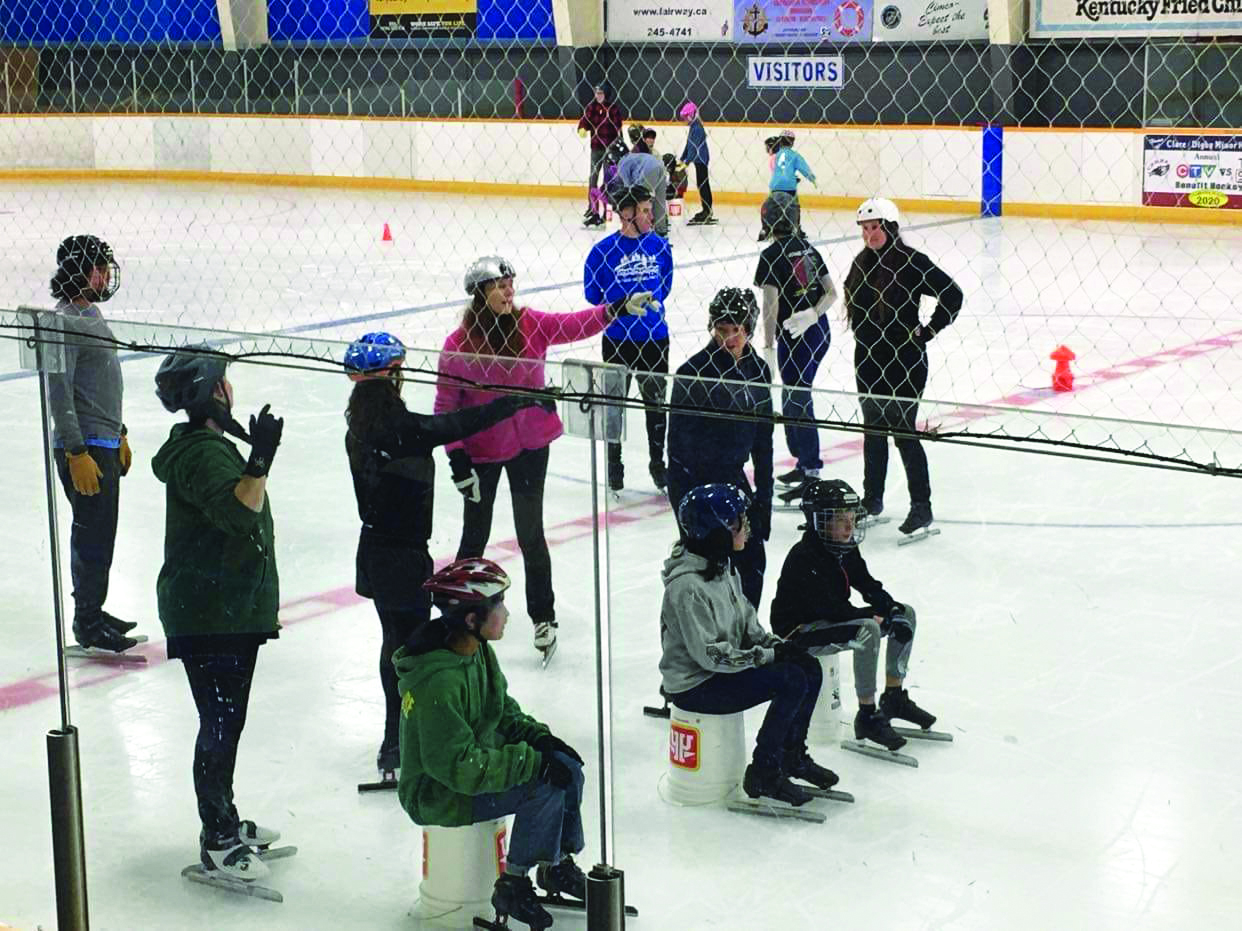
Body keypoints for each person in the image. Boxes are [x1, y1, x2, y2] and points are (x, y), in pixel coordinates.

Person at [343, 331, 552, 780]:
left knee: (396, 640)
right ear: (394, 375)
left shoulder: (361, 427)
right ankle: (400, 739)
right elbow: (450, 427)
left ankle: (399, 736)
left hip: (378, 551)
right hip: (401, 557)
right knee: (411, 648)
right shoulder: (400, 430)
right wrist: (506, 404)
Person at [435, 255, 653, 657]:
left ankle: (543, 616)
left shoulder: (529, 323)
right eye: (499, 286)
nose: (508, 291)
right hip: (482, 453)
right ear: (480, 294)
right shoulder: (459, 346)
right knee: (475, 535)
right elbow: (446, 407)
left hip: (531, 447)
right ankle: (457, 612)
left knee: (530, 534)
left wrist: (617, 307)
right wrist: (458, 460)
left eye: (510, 284)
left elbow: (574, 325)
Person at [395, 558, 589, 931]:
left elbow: (501, 711)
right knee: (544, 784)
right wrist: (531, 764)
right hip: (438, 792)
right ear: (471, 619)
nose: (506, 613)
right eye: (497, 604)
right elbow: (457, 767)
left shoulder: (476, 650)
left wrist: (543, 741)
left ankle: (555, 865)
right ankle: (514, 882)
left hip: (466, 771)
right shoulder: (438, 683)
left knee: (567, 766)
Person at [152, 346, 285, 882]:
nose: (231, 390)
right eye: (224, 382)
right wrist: (259, 462)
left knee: (227, 720)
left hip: (223, 608)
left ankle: (224, 814)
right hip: (211, 613)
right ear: (212, 392)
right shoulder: (204, 451)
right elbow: (237, 513)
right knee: (221, 722)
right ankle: (218, 835)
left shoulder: (206, 444)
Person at [659, 484, 836, 806]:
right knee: (790, 680)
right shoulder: (687, 588)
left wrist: (779, 646)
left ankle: (791, 756)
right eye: (739, 521)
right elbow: (710, 656)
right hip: (696, 684)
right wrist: (767, 656)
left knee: (807, 666)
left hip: (721, 670)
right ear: (716, 531)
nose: (747, 527)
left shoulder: (722, 567)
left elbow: (747, 625)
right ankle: (764, 771)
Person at [769, 479, 936, 751]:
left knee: (907, 613)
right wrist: (877, 617)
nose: (850, 526)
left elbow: (867, 584)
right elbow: (832, 610)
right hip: (799, 631)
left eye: (851, 518)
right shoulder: (805, 557)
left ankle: (894, 695)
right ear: (818, 521)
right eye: (839, 519)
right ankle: (867, 714)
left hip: (830, 620)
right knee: (867, 629)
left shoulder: (844, 547)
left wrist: (891, 609)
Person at [845, 197, 962, 536]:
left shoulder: (911, 262)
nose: (870, 234)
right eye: (865, 229)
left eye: (875, 227)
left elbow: (952, 294)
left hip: (904, 361)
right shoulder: (861, 263)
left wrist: (928, 330)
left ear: (890, 227)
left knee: (903, 433)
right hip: (868, 360)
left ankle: (921, 507)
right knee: (873, 432)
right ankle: (872, 499)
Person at [46, 235, 138, 653]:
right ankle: (87, 621)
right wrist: (75, 451)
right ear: (79, 273)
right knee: (91, 535)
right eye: (98, 267)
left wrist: (120, 434)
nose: (105, 275)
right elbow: (60, 392)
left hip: (103, 442)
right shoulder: (62, 321)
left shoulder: (90, 313)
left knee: (102, 534)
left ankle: (94, 609)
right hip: (84, 448)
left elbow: (102, 384)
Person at [667, 288, 773, 608]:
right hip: (698, 483)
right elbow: (677, 450)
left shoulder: (758, 370)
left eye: (736, 330)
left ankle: (746, 629)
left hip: (735, 480)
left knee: (752, 563)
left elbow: (763, 441)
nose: (728, 338)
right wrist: (686, 508)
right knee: (710, 571)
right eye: (721, 330)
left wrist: (764, 499)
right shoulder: (692, 372)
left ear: (749, 328)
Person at [583, 182, 675, 492]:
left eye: (651, 210)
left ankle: (657, 461)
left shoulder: (660, 247)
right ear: (626, 213)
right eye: (646, 210)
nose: (652, 216)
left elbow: (666, 285)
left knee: (656, 405)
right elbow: (593, 296)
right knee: (614, 405)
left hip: (655, 340)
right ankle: (614, 462)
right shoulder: (602, 252)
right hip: (618, 341)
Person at [753, 192, 837, 493]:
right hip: (818, 331)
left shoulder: (771, 256)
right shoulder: (809, 249)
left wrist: (768, 345)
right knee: (796, 396)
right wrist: (814, 313)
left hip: (794, 336)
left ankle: (810, 467)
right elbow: (831, 294)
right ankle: (804, 462)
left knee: (798, 398)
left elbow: (770, 305)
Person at [577, 84, 624, 226]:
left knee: (608, 180)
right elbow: (584, 121)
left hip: (609, 150)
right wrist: (582, 129)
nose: (598, 95)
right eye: (596, 93)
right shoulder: (591, 108)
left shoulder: (613, 108)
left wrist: (617, 147)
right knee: (593, 177)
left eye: (601, 93)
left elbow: (618, 127)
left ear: (606, 94)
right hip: (596, 148)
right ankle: (592, 208)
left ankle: (607, 209)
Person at [760, 130, 815, 241]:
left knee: (770, 207)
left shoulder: (775, 156)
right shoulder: (794, 155)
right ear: (792, 142)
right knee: (794, 208)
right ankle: (796, 228)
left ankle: (765, 229)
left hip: (775, 186)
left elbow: (777, 170)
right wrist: (812, 178)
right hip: (789, 187)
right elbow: (804, 168)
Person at [616, 145, 670, 236]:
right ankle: (661, 231)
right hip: (659, 166)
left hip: (648, 171)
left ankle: (642, 229)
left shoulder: (622, 162)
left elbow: (628, 187)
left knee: (642, 200)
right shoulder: (632, 156)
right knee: (659, 201)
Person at [679, 101, 715, 225]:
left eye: (686, 117)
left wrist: (687, 161)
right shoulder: (693, 127)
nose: (685, 120)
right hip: (697, 159)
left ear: (693, 114)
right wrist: (682, 158)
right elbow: (688, 145)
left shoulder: (698, 128)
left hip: (701, 160)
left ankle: (707, 211)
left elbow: (694, 147)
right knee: (702, 184)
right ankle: (707, 210)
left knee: (703, 184)